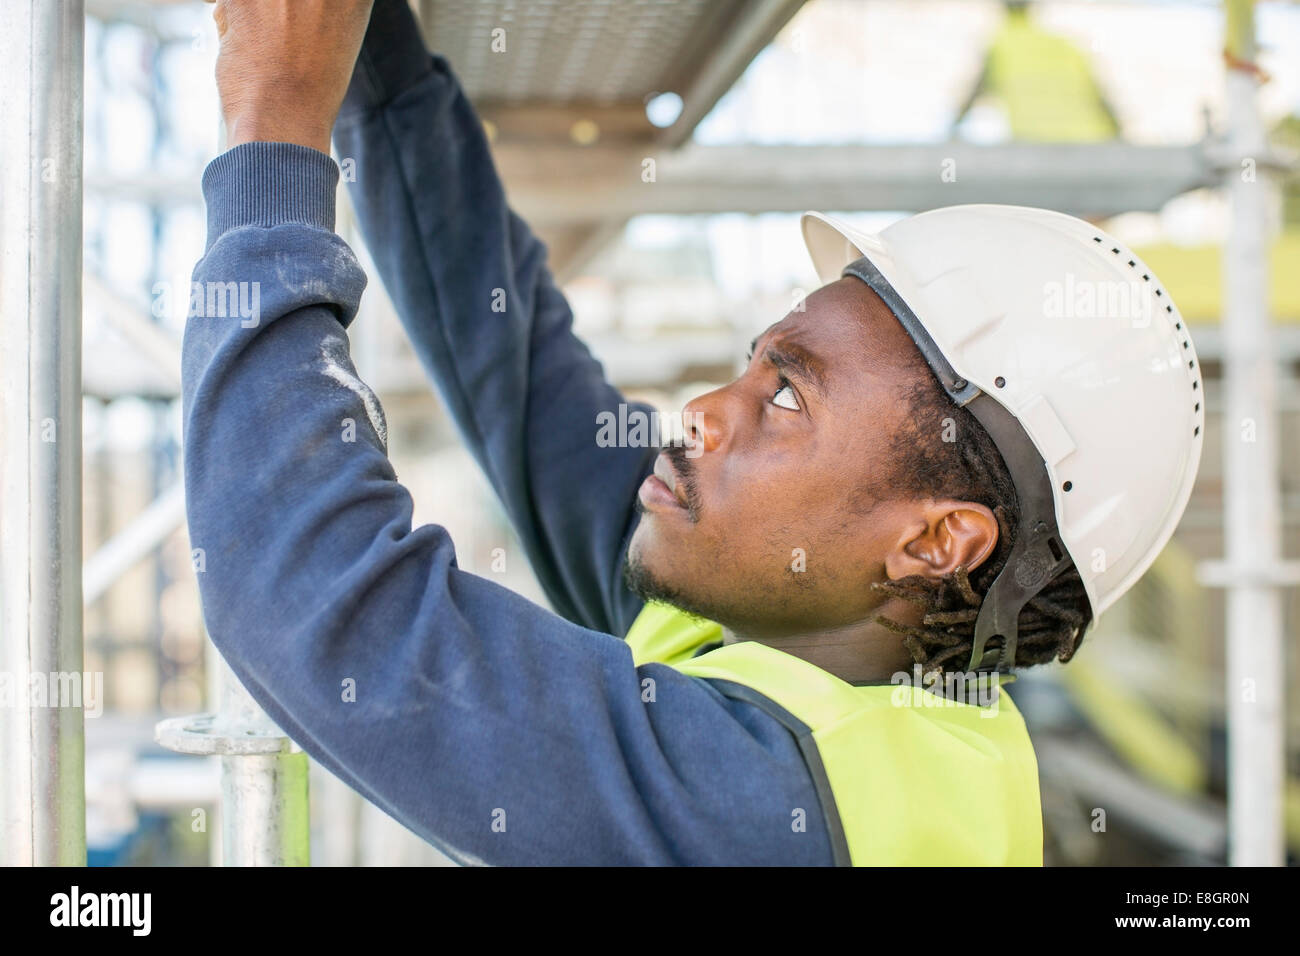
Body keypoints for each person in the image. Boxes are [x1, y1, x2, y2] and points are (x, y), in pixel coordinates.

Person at [185, 0, 1202, 865]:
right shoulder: (802, 640)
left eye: (790, 396)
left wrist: (274, 117)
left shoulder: (776, 808)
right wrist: (374, 59)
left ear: (936, 540)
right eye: (756, 362)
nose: (710, 410)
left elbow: (311, 593)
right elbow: (515, 360)